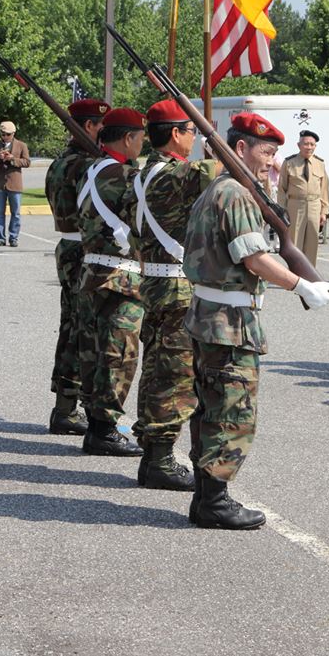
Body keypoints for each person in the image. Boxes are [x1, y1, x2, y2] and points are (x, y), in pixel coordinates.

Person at [183, 112, 329, 530]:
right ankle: (213, 501)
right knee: (233, 412)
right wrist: (301, 285)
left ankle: (206, 497)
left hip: (211, 315)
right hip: (229, 320)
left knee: (212, 408)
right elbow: (255, 257)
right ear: (240, 149)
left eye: (273, 154)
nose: (271, 161)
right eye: (265, 152)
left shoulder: (222, 188)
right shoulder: (234, 193)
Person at [125, 100, 218, 490]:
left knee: (157, 369)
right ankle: (160, 459)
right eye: (192, 131)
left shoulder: (143, 173)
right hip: (178, 287)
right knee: (175, 376)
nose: (195, 138)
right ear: (176, 134)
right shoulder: (178, 174)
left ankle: (153, 453)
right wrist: (216, 144)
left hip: (157, 281)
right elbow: (227, 173)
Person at [77, 107, 147, 456]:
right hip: (120, 274)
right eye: (140, 137)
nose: (143, 143)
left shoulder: (92, 169)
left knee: (94, 350)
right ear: (128, 138)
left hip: (93, 271)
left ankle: (96, 425)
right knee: (119, 353)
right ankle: (103, 430)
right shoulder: (125, 175)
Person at [44, 98, 109, 436]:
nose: (106, 133)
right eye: (102, 127)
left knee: (71, 327)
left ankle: (66, 407)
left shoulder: (60, 161)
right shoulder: (84, 165)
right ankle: (71, 408)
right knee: (84, 332)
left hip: (67, 246)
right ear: (88, 127)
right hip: (83, 249)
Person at [277, 129, 329, 267]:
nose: (309, 147)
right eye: (306, 144)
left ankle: (310, 277)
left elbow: (324, 189)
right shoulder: (289, 163)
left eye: (312, 144)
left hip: (314, 205)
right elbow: (282, 189)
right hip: (295, 206)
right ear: (299, 145)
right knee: (295, 242)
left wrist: (324, 212)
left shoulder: (320, 163)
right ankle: (295, 275)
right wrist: (283, 211)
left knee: (312, 244)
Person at [0, 121, 31, 247]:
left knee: (15, 213)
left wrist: (12, 159)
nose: (4, 137)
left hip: (15, 184)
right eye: (2, 134)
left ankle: (13, 238)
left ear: (13, 133)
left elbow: (27, 162)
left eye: (7, 134)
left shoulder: (21, 145)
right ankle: (0, 239)